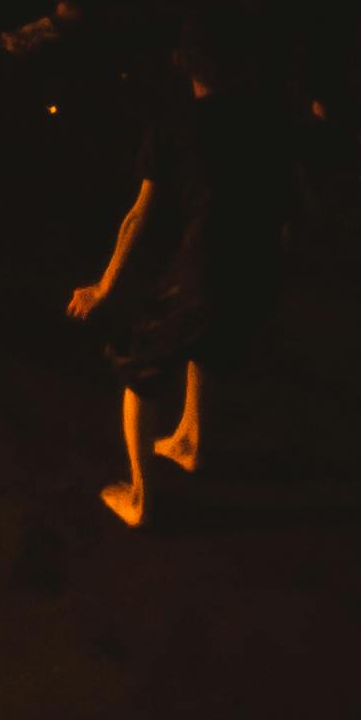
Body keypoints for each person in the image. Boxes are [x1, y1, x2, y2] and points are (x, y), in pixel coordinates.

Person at [67, 30, 244, 530]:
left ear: (185, 64)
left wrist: (103, 287)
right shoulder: (265, 117)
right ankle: (191, 440)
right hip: (254, 260)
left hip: (201, 263)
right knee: (210, 341)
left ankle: (141, 499)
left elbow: (138, 216)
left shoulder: (176, 124)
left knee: (140, 369)